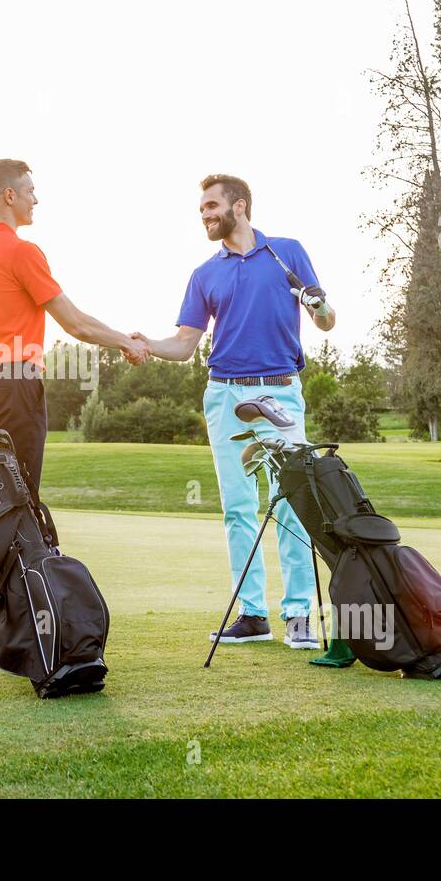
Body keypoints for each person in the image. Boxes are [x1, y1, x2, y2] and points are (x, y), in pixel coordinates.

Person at [0, 158, 148, 658]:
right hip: (15, 386)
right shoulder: (22, 252)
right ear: (9, 198)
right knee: (15, 502)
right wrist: (125, 343)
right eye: (30, 190)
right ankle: (19, 624)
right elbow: (76, 323)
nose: (36, 198)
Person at [132, 174, 335, 649]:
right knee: (238, 508)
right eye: (201, 209)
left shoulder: (287, 252)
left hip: (281, 391)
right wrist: (143, 345)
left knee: (291, 501)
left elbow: (326, 322)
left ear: (239, 206)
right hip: (226, 394)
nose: (204, 214)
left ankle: (300, 615)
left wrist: (320, 306)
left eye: (211, 206)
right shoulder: (205, 274)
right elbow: (184, 344)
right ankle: (251, 614)